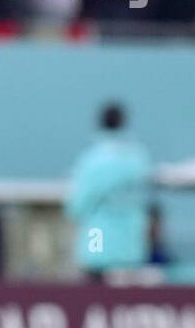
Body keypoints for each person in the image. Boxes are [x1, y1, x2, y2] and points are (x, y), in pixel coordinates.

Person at [65, 102, 153, 280]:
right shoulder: (138, 158)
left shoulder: (92, 159)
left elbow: (78, 205)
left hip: (97, 234)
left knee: (94, 286)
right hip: (131, 240)